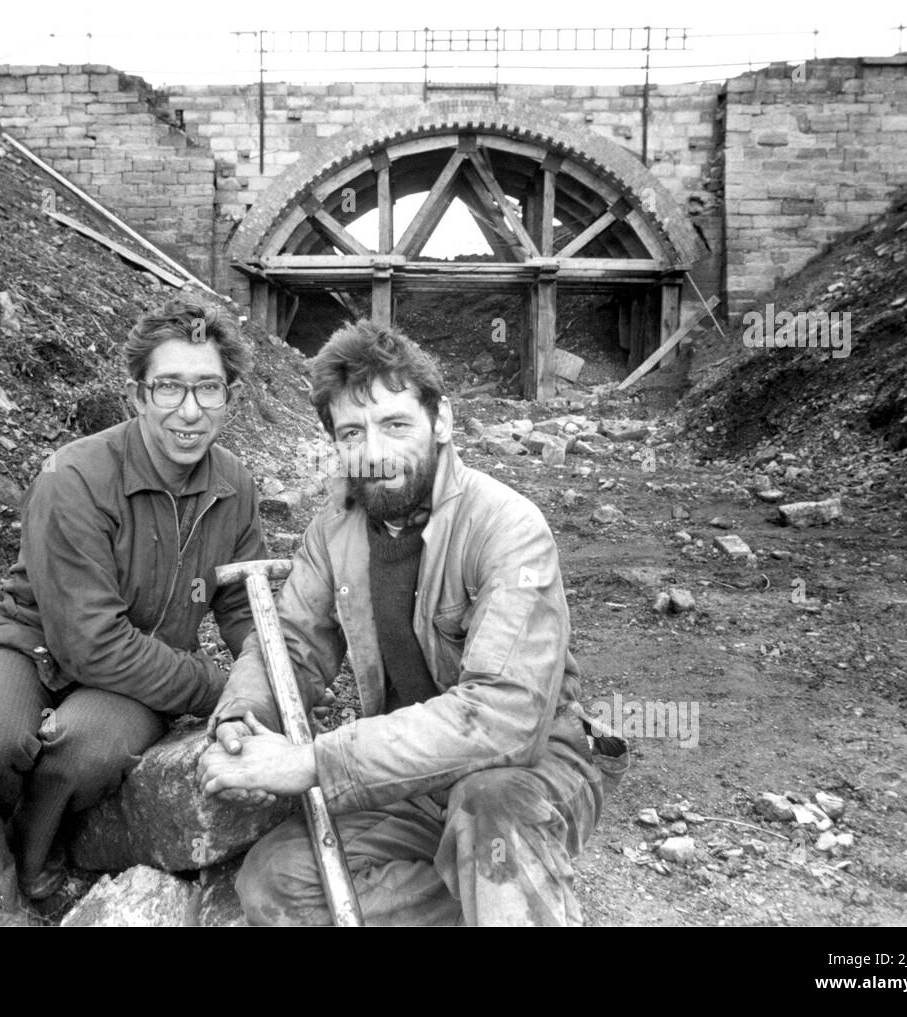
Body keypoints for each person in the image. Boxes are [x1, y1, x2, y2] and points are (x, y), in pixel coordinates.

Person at [197, 319, 627, 926]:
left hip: (533, 765)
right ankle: (490, 896)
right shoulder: (335, 528)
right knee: (277, 881)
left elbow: (504, 716)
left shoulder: (507, 527)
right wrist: (244, 719)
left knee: (489, 805)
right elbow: (293, 648)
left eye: (395, 425)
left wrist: (317, 762)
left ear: (441, 422)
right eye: (352, 433)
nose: (373, 454)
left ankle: (502, 886)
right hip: (413, 776)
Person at [0, 297, 265, 924]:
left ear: (230, 396)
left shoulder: (234, 486)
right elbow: (90, 643)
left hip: (140, 659)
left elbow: (240, 601)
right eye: (169, 387)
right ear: (139, 394)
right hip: (37, 641)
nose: (189, 412)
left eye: (208, 389)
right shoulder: (75, 475)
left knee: (81, 754)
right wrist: (213, 689)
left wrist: (263, 680)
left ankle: (39, 859)